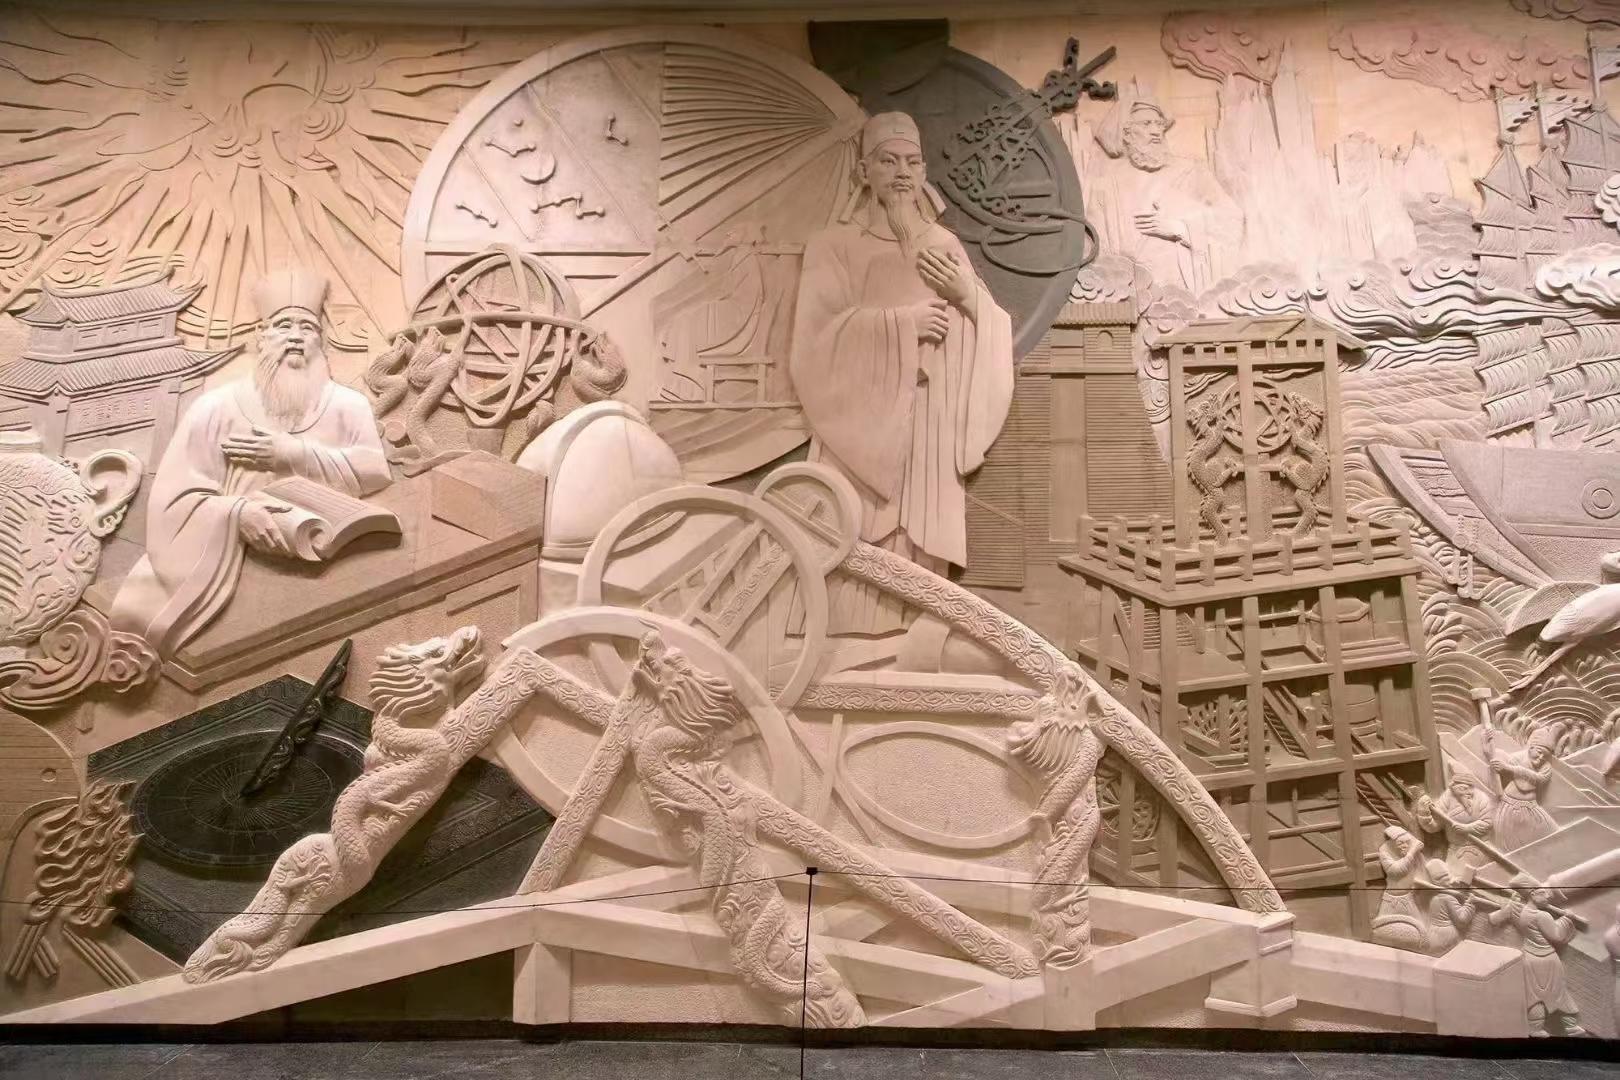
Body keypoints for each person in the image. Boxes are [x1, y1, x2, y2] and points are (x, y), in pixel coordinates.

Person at [789, 112, 1013, 634]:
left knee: (916, 549)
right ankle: (839, 638)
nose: (902, 173)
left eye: (912, 162)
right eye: (888, 161)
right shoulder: (833, 246)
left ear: (924, 171)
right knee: (852, 529)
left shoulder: (944, 245)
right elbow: (815, 340)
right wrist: (902, 325)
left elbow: (990, 325)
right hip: (856, 424)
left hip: (928, 424)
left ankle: (912, 636)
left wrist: (967, 296)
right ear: (863, 171)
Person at [111, 271, 390, 654]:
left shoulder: (348, 404)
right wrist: (237, 514)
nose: (296, 336)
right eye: (283, 326)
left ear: (321, 341)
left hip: (331, 561)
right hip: (227, 560)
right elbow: (174, 498)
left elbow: (375, 471)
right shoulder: (215, 407)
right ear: (261, 336)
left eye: (308, 327)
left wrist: (291, 454)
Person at [1077, 82, 1241, 293]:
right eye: (1146, 124)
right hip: (1124, 290)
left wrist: (1180, 229)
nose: (1155, 132)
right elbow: (1091, 243)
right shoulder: (1107, 184)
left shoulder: (1191, 171)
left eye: (1159, 124)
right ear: (1127, 133)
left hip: (1179, 289)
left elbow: (1231, 218)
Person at [1491, 874, 1586, 1037]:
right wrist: (1566, 919)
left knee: (1534, 995)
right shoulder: (1542, 915)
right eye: (1542, 892)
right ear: (1533, 894)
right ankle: (1570, 1026)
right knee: (1558, 992)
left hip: (1529, 957)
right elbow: (1557, 936)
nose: (1547, 895)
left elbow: (1496, 917)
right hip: (1546, 959)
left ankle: (1535, 1028)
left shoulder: (1521, 911)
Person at [1414, 768, 1496, 881]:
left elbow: (1487, 822)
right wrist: (1424, 812)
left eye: (1466, 788)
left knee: (1485, 881)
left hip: (1481, 850)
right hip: (1456, 852)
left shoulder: (1482, 798)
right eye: (1459, 789)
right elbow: (1434, 826)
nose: (1465, 793)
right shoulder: (1447, 797)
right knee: (1454, 883)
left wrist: (1467, 828)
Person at [1486, 726, 1559, 852]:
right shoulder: (1516, 758)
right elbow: (1498, 766)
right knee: (1510, 841)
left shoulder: (1545, 766)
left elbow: (1540, 779)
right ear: (1531, 748)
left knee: (1550, 832)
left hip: (1532, 807)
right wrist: (1489, 751)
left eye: (1545, 755)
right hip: (1510, 805)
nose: (1541, 757)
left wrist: (1512, 769)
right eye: (1539, 752)